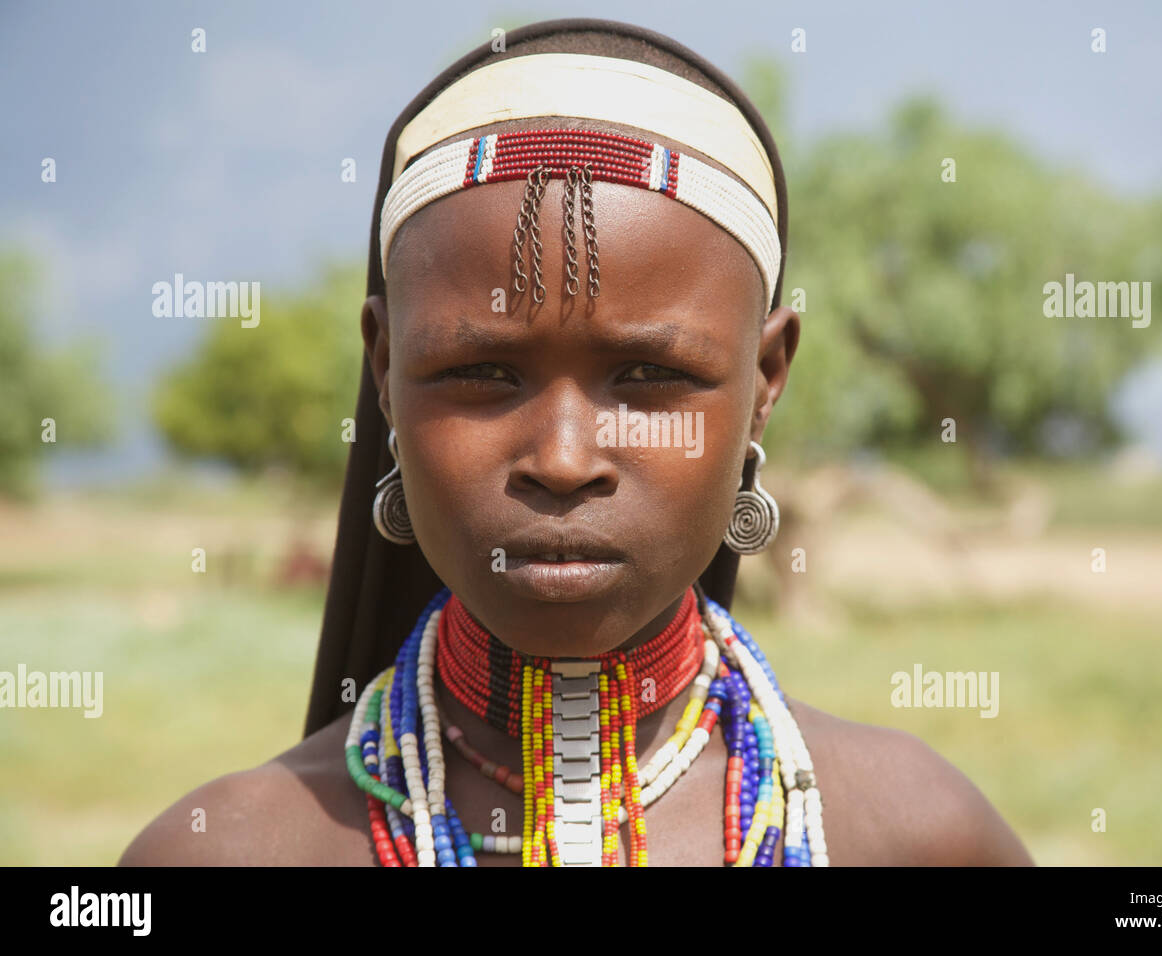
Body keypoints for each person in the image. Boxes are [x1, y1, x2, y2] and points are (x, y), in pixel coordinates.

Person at [120, 17, 1032, 867]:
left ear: (765, 383)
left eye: (646, 377)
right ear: (386, 368)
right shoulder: (230, 851)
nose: (562, 459)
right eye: (483, 373)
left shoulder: (913, 837)